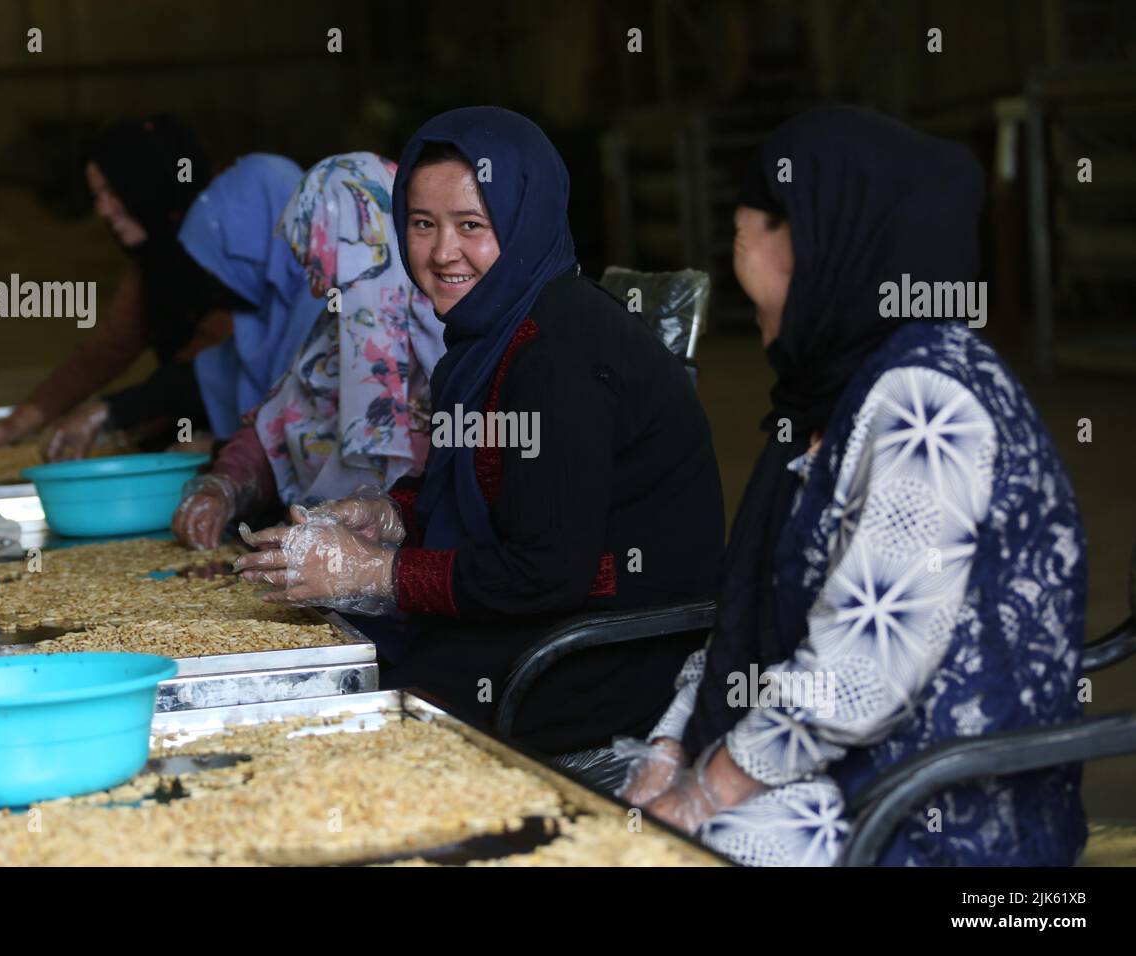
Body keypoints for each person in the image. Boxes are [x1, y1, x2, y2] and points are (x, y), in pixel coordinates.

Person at [619, 106, 1088, 867]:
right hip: (847, 766)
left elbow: (863, 670)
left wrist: (709, 788)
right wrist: (673, 743)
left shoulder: (926, 405)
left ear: (822, 245)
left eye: (743, 244)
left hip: (938, 798)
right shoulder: (822, 400)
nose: (744, 289)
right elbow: (759, 608)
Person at [231, 107, 727, 757]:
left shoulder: (558, 358)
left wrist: (377, 574)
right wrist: (390, 515)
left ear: (524, 223)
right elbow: (484, 482)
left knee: (341, 726)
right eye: (421, 224)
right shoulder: (489, 339)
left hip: (598, 654)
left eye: (472, 225)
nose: (442, 253)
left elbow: (545, 572)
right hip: (534, 627)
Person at [171, 152, 445, 549]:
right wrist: (225, 486)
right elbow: (275, 429)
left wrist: (366, 559)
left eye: (331, 274)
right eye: (311, 272)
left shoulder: (451, 352)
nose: (317, 293)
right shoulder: (334, 336)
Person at [0, 115, 235, 459]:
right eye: (96, 196)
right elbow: (106, 351)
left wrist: (107, 413)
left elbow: (207, 367)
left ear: (148, 183)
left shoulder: (226, 258)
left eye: (113, 192)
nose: (103, 210)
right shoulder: (155, 261)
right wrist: (16, 424)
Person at [177, 154, 320, 441]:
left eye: (224, 258)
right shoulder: (266, 314)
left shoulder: (327, 304)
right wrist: (108, 411)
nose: (217, 276)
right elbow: (212, 374)